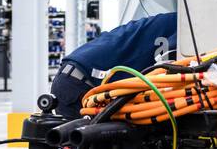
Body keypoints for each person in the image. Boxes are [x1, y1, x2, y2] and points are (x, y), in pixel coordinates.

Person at [49, 11, 178, 118]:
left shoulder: (162, 23)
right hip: (79, 85)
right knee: (97, 146)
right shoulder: (183, 25)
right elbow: (171, 65)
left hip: (71, 79)